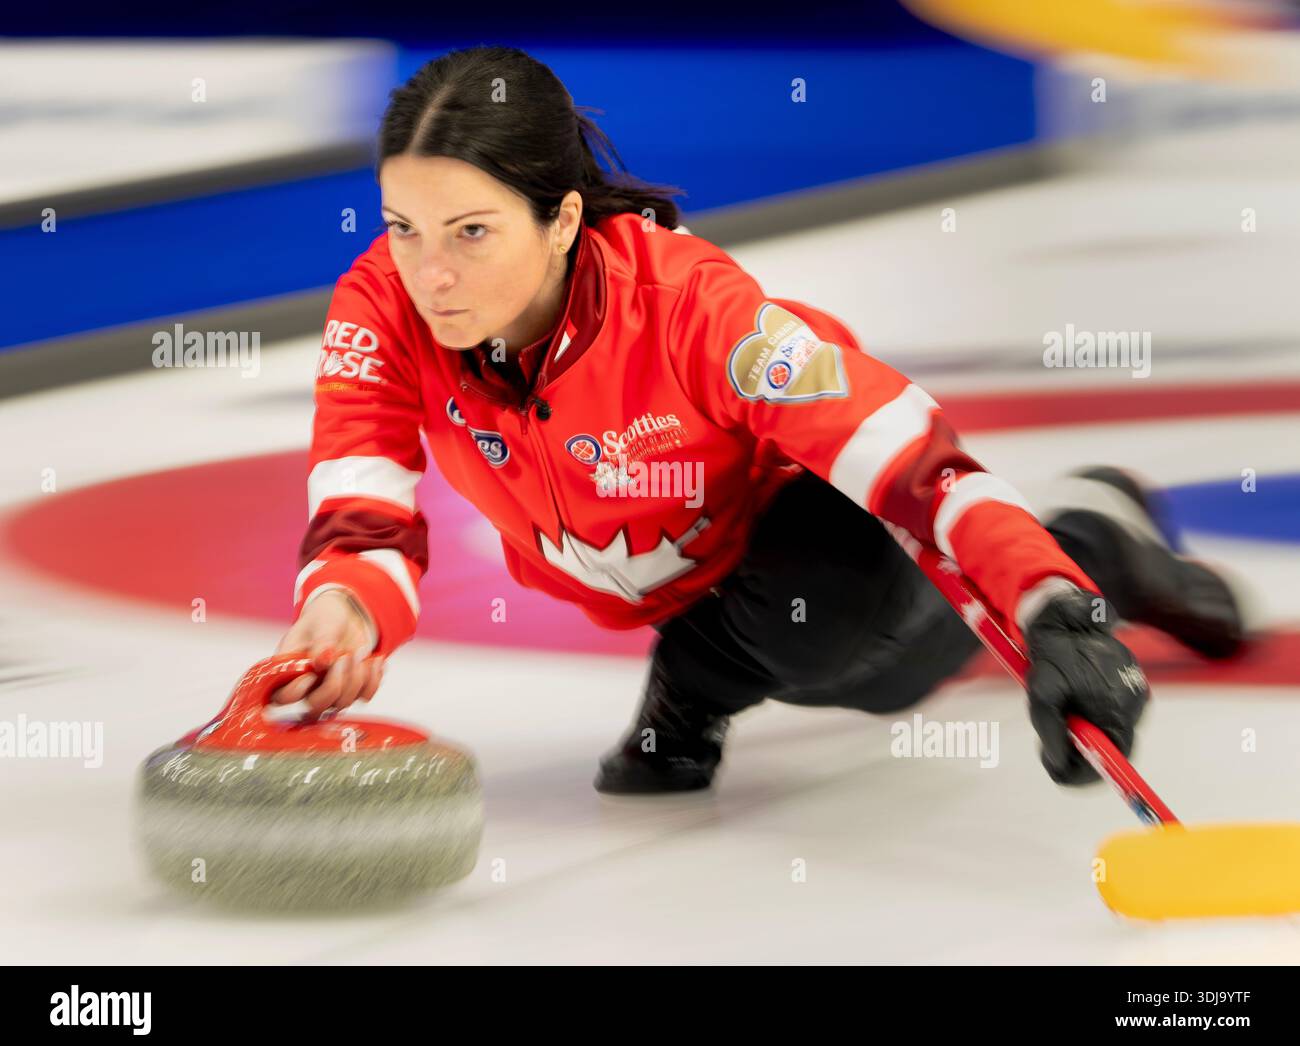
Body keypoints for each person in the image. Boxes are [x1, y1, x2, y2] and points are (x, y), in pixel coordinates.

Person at [273, 45, 1247, 793]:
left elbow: (912, 464)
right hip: (682, 578)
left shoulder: (697, 312)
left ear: (562, 219)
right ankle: (704, 663)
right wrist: (339, 617)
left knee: (858, 657)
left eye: (470, 231)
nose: (428, 273)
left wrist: (1054, 605)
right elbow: (364, 499)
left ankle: (1091, 543)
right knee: (796, 632)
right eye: (403, 227)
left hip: (811, 531)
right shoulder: (383, 305)